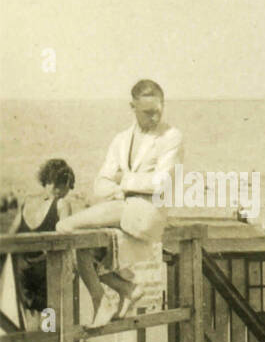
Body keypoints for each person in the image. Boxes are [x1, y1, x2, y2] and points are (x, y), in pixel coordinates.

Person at [56, 79, 178, 321]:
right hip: (125, 206)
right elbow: (100, 184)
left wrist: (122, 181)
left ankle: (101, 301)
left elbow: (162, 183)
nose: (154, 119)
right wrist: (126, 186)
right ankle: (127, 290)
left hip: (148, 212)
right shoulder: (121, 140)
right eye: (147, 113)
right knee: (82, 244)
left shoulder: (171, 137)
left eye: (157, 112)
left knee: (65, 226)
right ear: (132, 107)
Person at [7, 159, 76, 342]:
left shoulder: (27, 203)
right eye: (68, 184)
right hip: (48, 269)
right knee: (49, 324)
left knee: (31, 325)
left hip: (24, 269)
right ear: (64, 182)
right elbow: (68, 236)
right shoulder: (62, 204)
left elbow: (11, 236)